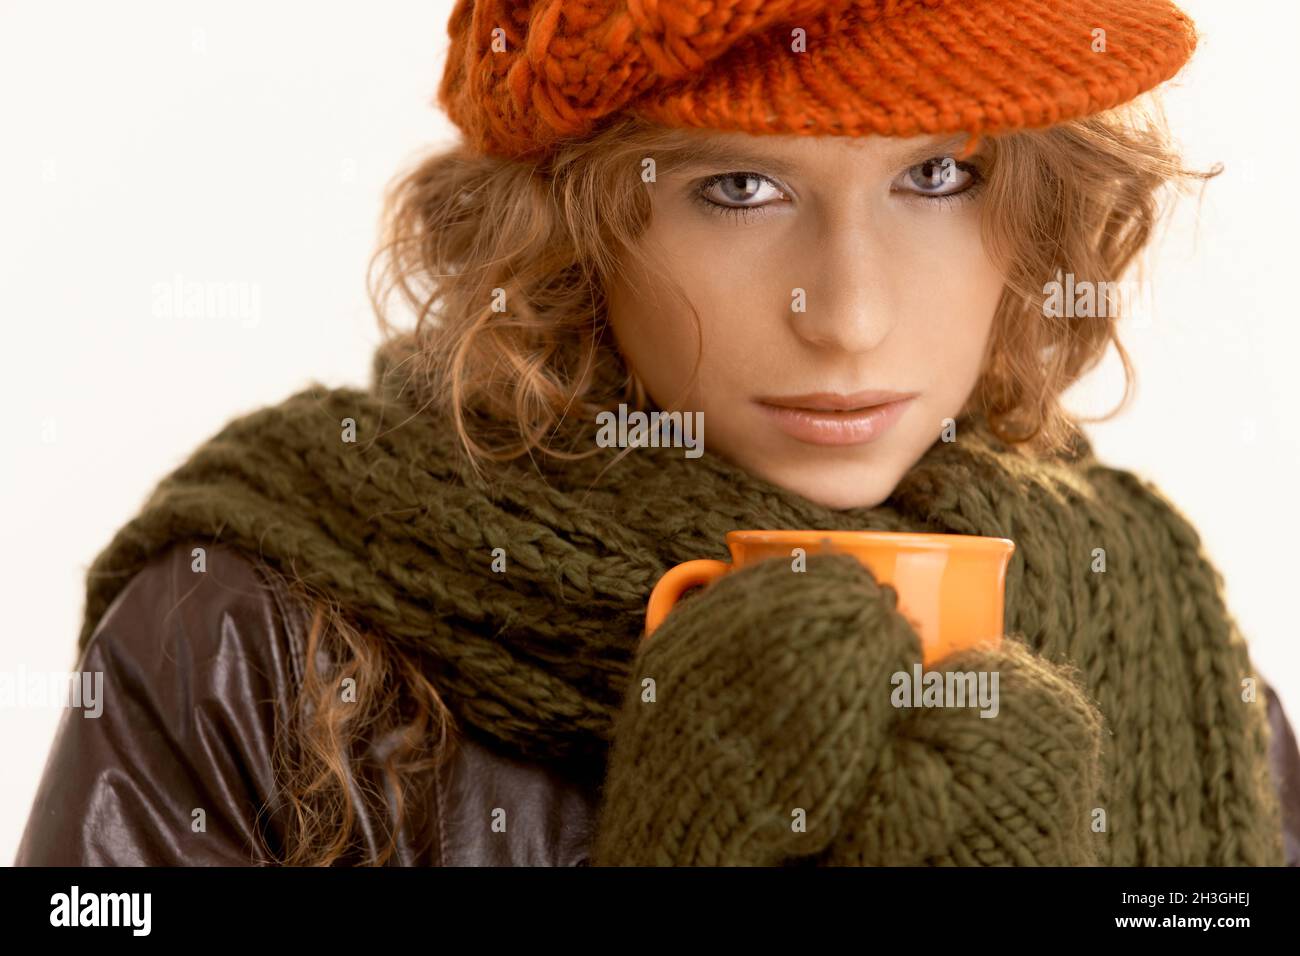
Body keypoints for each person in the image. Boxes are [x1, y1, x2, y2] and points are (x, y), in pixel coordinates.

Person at [15, 0, 1300, 866]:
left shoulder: (1155, 633)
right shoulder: (248, 645)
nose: (848, 316)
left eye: (937, 175)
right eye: (736, 187)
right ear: (566, 226)